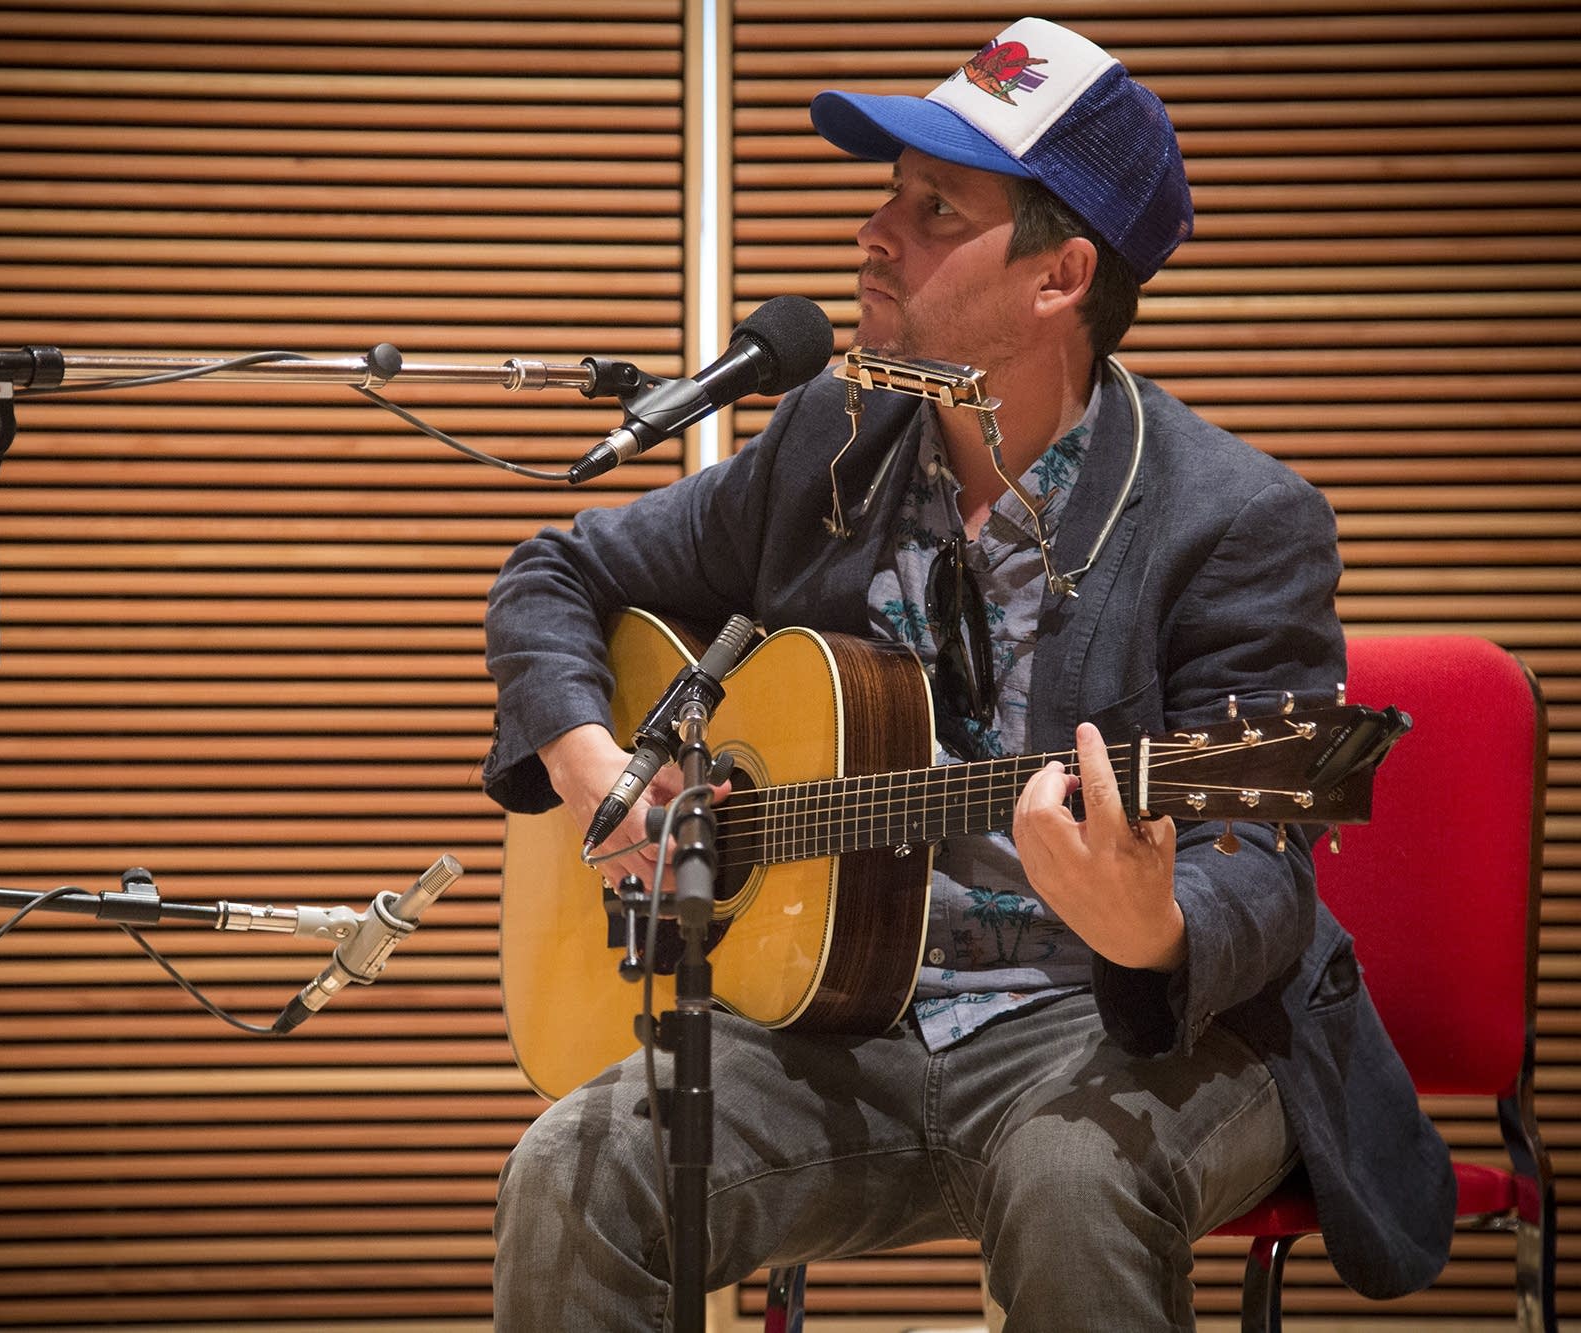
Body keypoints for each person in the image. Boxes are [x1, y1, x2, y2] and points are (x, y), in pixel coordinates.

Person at [480, 16, 1453, 1329]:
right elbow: (556, 571)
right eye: (888, 192)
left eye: (934, 206)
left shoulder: (1236, 516)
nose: (876, 230)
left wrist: (1151, 927)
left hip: (1129, 1030)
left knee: (1066, 1174)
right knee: (578, 1168)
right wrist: (600, 770)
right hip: (858, 1024)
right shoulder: (834, 436)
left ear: (1061, 276)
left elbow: (1260, 880)